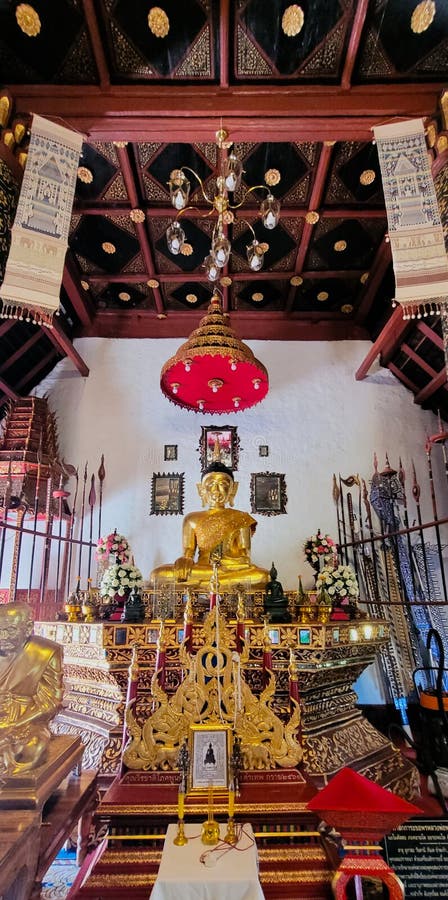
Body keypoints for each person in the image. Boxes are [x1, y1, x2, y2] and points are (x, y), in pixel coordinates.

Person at [150, 462, 269, 590]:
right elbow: (188, 553)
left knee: (264, 576)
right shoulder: (191, 519)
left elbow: (245, 557)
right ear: (201, 489)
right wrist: (184, 561)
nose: (216, 491)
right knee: (158, 575)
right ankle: (216, 585)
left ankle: (202, 586)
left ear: (233, 489)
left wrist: (228, 562)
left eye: (223, 484)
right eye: (210, 484)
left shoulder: (241, 518)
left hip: (228, 569)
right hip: (202, 569)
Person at [0, 602, 63, 775]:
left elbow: (51, 701)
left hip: (26, 719)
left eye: (11, 630)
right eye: (0, 629)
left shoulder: (45, 652)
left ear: (28, 628)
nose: (3, 636)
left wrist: (13, 724)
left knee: (28, 750)